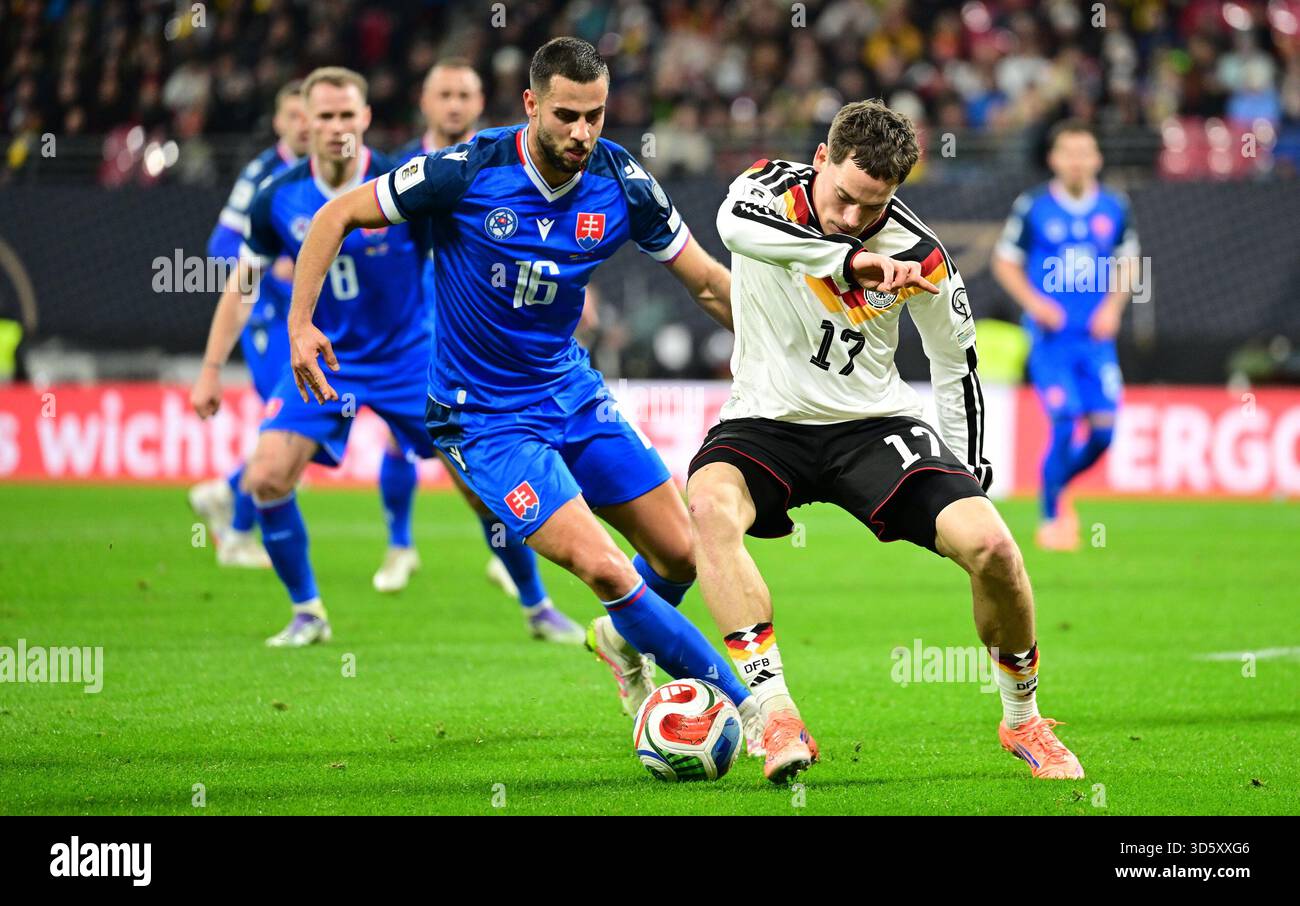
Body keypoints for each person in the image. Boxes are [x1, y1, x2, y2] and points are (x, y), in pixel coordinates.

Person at [286, 38, 767, 750]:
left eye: (596, 116)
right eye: (567, 115)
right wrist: (301, 324)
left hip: (570, 391)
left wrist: (771, 349)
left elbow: (703, 280)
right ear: (531, 104)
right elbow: (336, 217)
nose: (583, 133)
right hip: (484, 418)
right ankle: (751, 710)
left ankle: (621, 638)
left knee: (682, 554)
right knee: (603, 564)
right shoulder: (466, 170)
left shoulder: (621, 181)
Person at [687, 100, 1084, 783]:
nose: (853, 217)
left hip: (874, 427)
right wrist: (850, 262)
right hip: (764, 420)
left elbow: (954, 362)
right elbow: (734, 230)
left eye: (872, 207)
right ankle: (775, 709)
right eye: (843, 196)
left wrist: (968, 475)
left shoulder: (919, 252)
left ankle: (1023, 720)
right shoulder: (762, 191)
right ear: (821, 159)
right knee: (709, 508)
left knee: (993, 548)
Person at [393, 58, 584, 643]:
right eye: (443, 93)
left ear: (480, 103)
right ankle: (398, 546)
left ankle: (533, 600)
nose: (453, 105)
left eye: (464, 94)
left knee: (481, 495)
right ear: (424, 100)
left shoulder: (503, 162)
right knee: (371, 439)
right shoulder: (402, 170)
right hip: (407, 343)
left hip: (482, 355)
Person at [992, 121, 1140, 550]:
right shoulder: (1034, 206)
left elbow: (1129, 261)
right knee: (1063, 421)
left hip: (1096, 342)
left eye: (1085, 152)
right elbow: (1005, 262)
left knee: (1103, 433)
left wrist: (1113, 307)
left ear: (1097, 159)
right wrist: (1036, 305)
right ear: (1054, 158)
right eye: (1068, 152)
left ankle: (1056, 483)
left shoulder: (1114, 206)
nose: (1077, 161)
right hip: (1049, 341)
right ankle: (1052, 516)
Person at [189, 80, 307, 569]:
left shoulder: (328, 175)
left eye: (312, 115)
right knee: (289, 426)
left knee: (299, 430)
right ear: (279, 122)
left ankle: (228, 495)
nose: (305, 124)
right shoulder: (263, 174)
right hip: (267, 320)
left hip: (311, 321)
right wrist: (276, 269)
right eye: (294, 116)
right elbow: (220, 246)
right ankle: (237, 530)